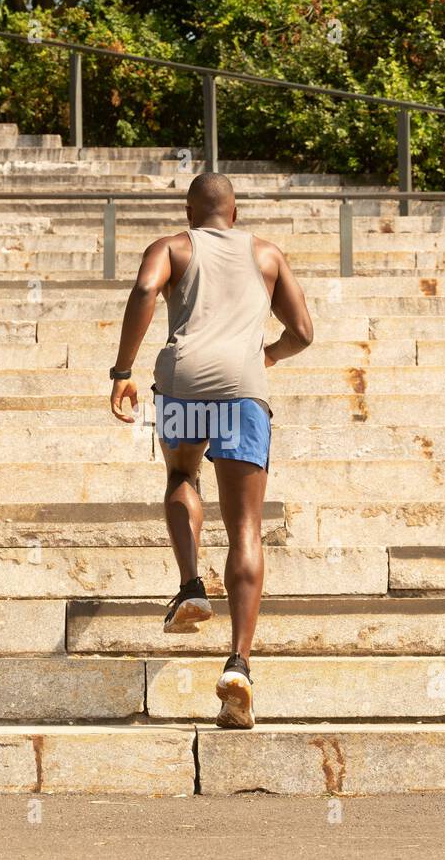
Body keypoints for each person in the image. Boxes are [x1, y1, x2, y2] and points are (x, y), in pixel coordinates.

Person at [108, 172, 313, 729]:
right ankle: (239, 664)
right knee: (246, 526)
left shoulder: (172, 247)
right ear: (236, 213)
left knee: (180, 476)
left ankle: (190, 585)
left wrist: (122, 370)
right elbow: (303, 331)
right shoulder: (267, 254)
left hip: (180, 380)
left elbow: (145, 290)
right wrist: (264, 357)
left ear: (189, 210)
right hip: (242, 385)